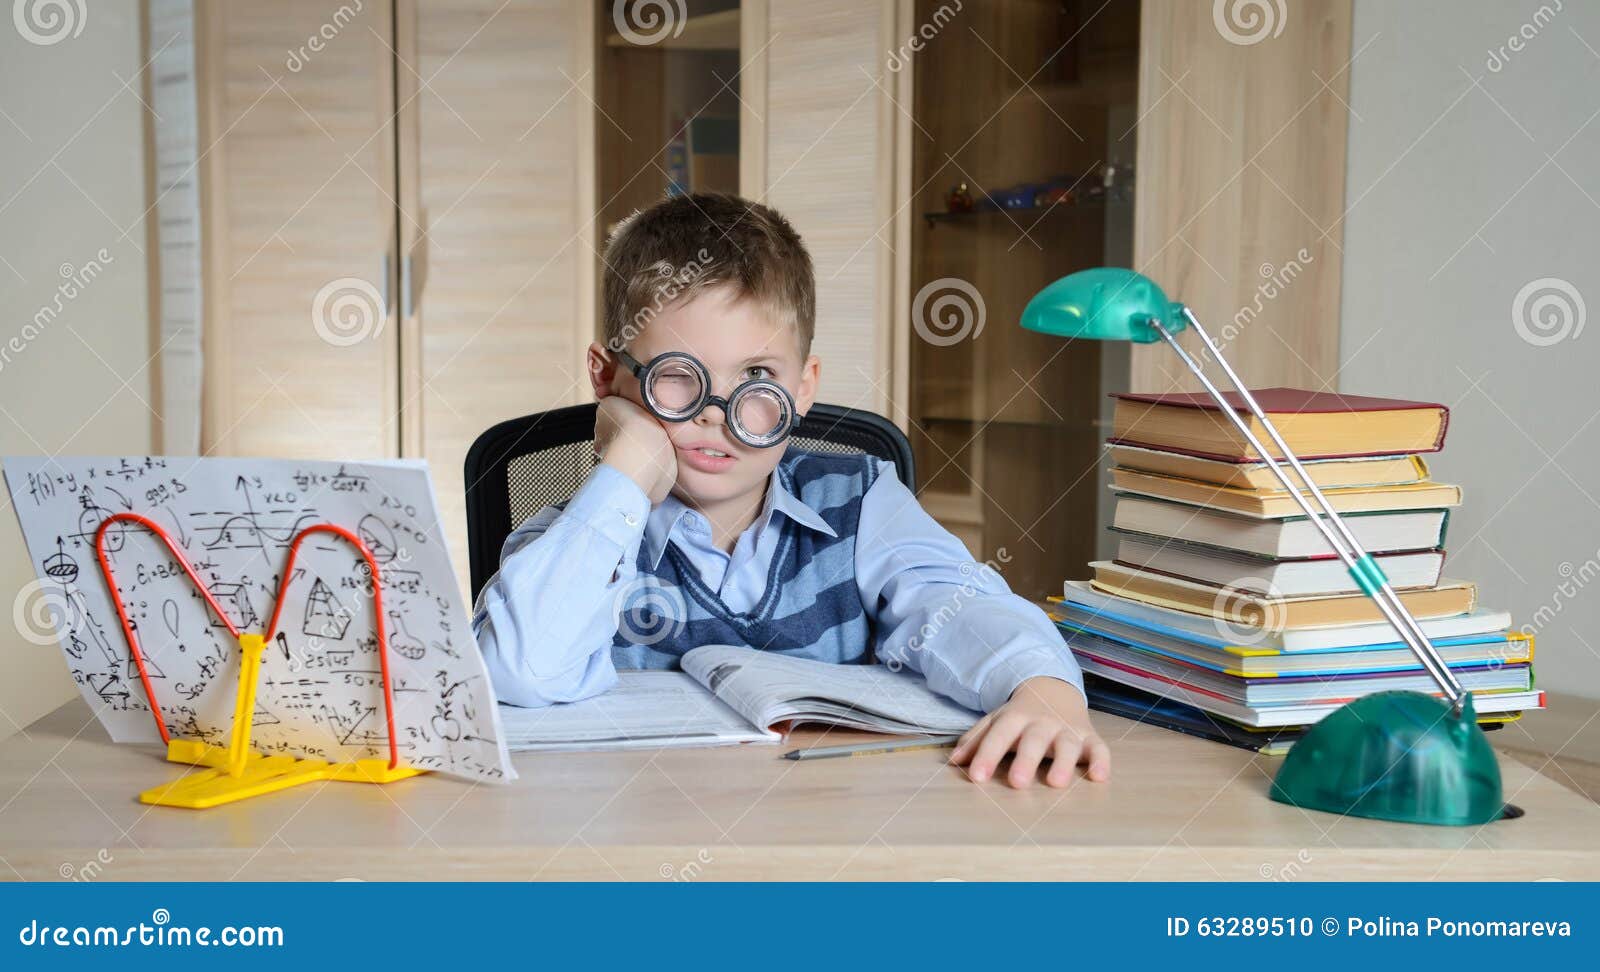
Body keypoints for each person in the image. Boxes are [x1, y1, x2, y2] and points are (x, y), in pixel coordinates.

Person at [473, 193, 1109, 788]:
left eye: (756, 375)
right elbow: (517, 671)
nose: (717, 413)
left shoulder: (861, 502)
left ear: (803, 387)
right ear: (608, 375)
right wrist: (625, 474)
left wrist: (1043, 691)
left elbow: (957, 604)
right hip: (643, 830)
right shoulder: (576, 537)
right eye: (677, 375)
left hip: (824, 829)